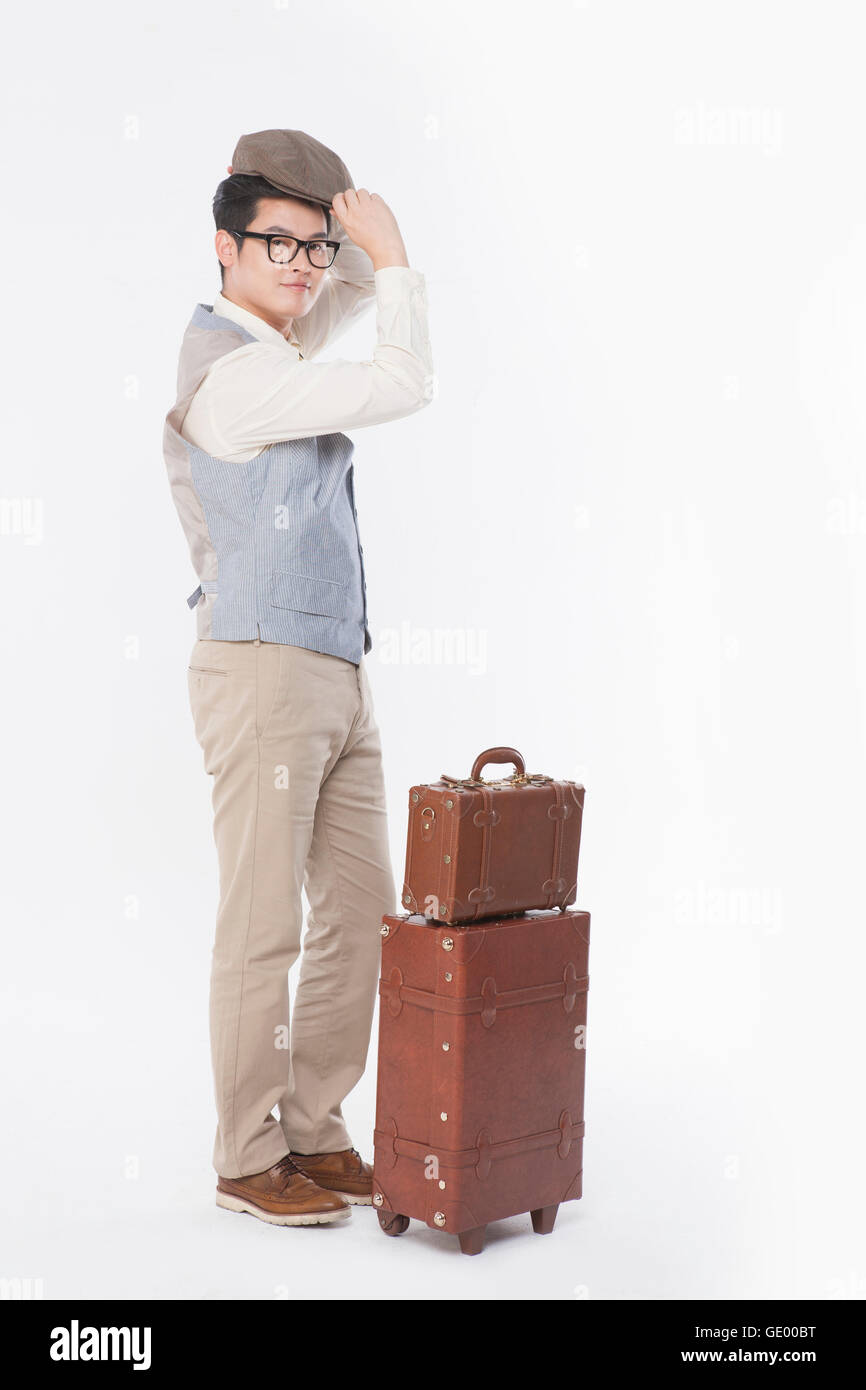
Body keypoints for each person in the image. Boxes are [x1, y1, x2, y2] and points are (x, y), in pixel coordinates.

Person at [162, 128, 434, 1227]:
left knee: (363, 913)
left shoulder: (276, 342)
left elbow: (339, 286)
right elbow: (402, 377)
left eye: (312, 246)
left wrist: (337, 227)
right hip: (262, 667)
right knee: (262, 921)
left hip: (334, 667)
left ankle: (313, 1129)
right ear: (222, 247)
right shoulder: (234, 376)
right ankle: (244, 1152)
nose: (302, 265)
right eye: (275, 242)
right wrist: (393, 249)